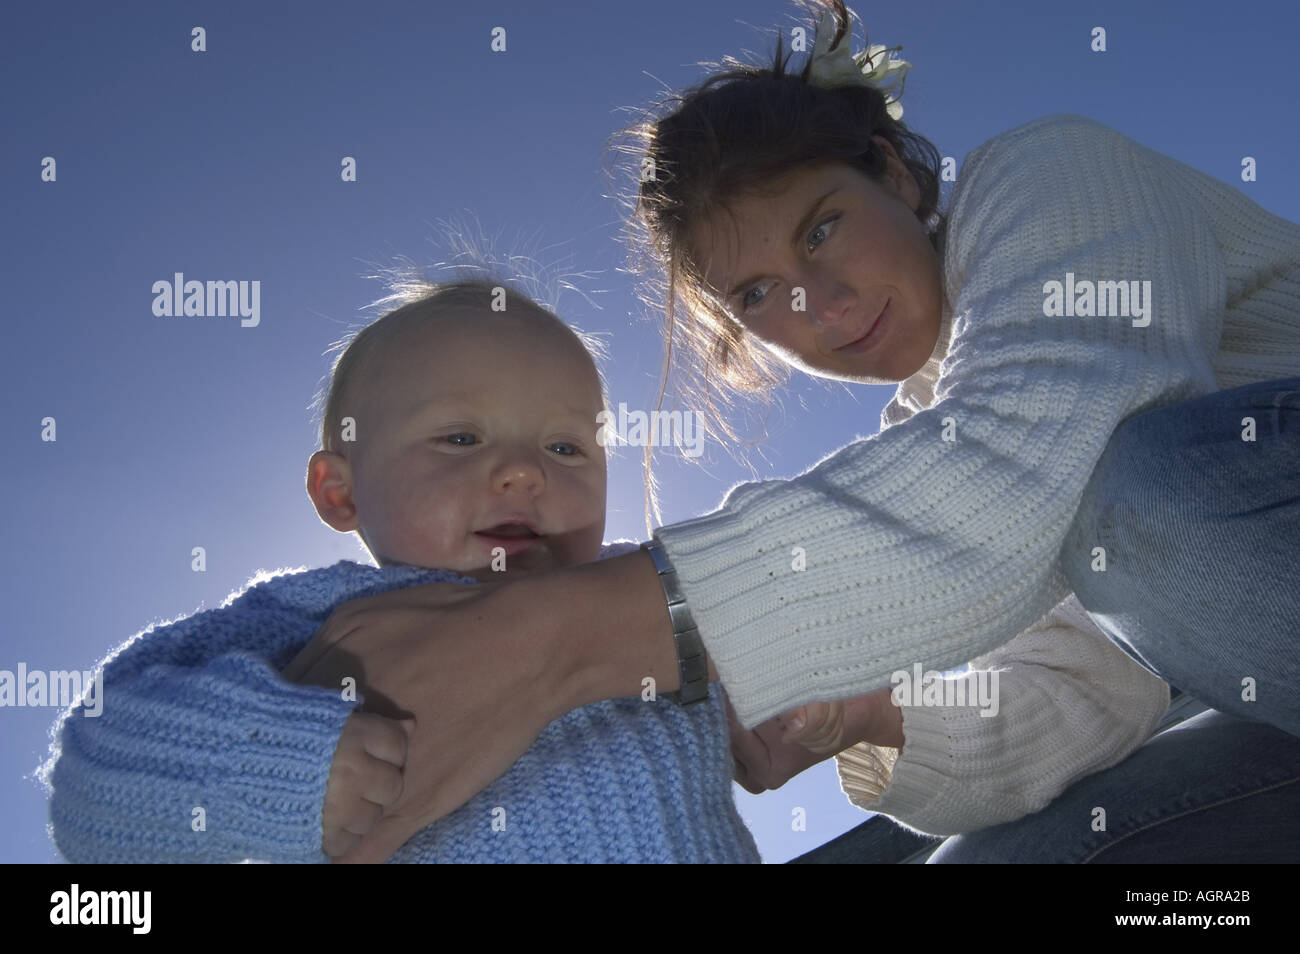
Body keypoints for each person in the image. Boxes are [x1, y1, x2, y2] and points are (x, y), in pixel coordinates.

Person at [282, 0, 1300, 863]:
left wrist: (569, 633)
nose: (814, 301)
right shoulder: (933, 435)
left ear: (897, 178)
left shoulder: (1048, 177)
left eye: (820, 229)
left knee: (1155, 494)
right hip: (1257, 690)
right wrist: (874, 719)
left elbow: (1043, 457)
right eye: (759, 291)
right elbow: (1102, 686)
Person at [38, 277, 760, 863]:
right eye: (459, 437)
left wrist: (804, 712)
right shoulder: (311, 618)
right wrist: (288, 762)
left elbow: (792, 620)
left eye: (567, 449)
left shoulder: (648, 585)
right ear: (340, 491)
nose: (521, 472)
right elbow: (93, 775)